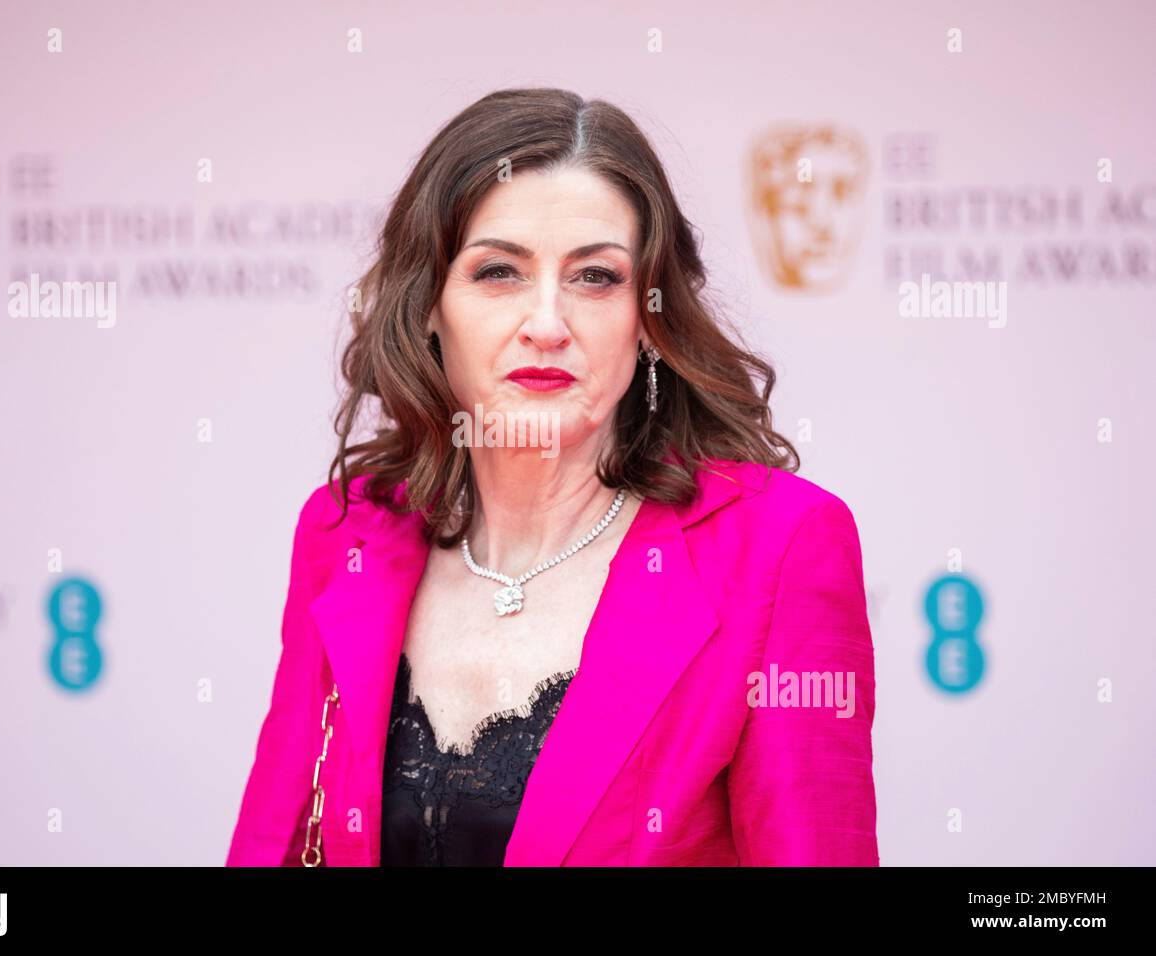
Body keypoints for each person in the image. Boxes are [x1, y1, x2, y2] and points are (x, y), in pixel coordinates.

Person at [226, 88, 878, 867]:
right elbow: (272, 844)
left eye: (595, 277)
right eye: (498, 271)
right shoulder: (347, 534)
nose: (546, 324)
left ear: (649, 316)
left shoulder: (777, 545)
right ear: (428, 305)